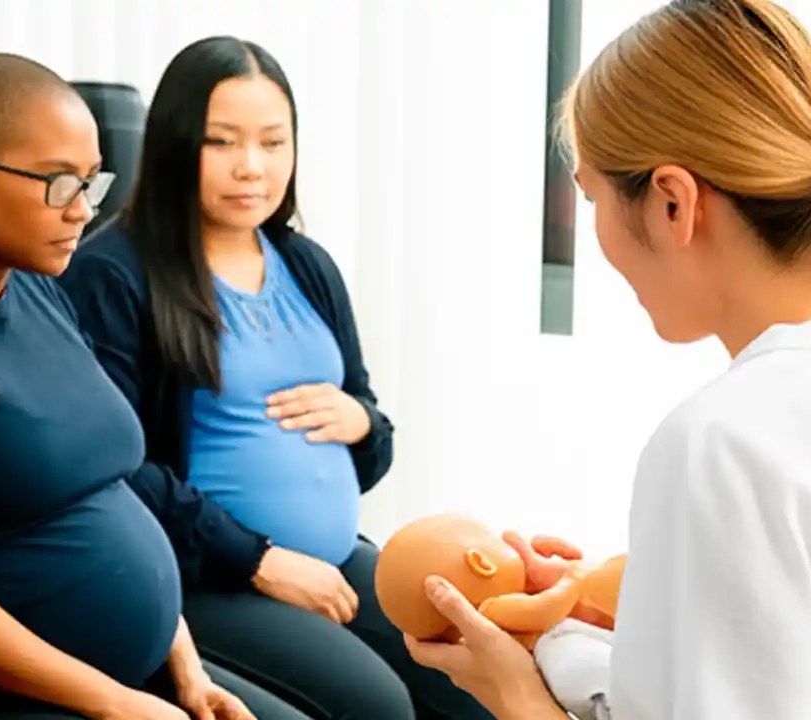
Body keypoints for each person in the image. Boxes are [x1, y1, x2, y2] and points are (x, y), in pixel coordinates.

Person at [404, 1, 811, 718]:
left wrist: (512, 694)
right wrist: (632, 595)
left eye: (592, 198)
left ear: (672, 202)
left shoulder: (727, 441)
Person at [0, 52, 310, 720]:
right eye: (60, 185)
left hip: (140, 673)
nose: (84, 211)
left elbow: (111, 491)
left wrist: (187, 671)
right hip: (25, 695)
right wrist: (113, 703)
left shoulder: (40, 289)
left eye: (92, 183)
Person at [57, 36, 490, 720]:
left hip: (331, 558)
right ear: (174, 144)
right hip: (209, 576)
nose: (252, 167)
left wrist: (362, 423)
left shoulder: (307, 266)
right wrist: (257, 560)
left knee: (478, 676)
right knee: (378, 706)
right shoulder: (114, 274)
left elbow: (370, 435)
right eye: (222, 142)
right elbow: (115, 472)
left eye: (273, 142)